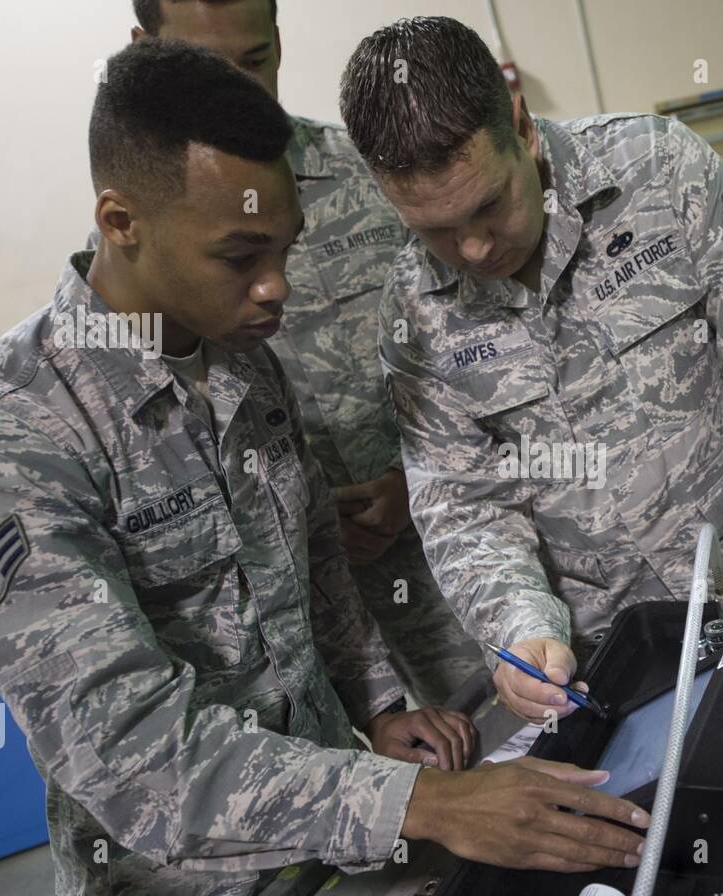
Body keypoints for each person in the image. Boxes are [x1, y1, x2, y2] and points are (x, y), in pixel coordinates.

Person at [0, 38, 648, 896]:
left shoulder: (242, 367)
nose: (275, 290)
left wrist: (374, 706)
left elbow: (316, 562)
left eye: (285, 252)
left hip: (337, 857)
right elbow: (137, 759)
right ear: (120, 220)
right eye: (239, 256)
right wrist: (425, 805)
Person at [339, 17, 723, 723]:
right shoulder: (414, 312)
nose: (470, 248)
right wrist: (520, 629)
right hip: (610, 655)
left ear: (521, 127)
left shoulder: (656, 169)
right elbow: (462, 504)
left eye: (487, 205)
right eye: (432, 228)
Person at [125, 0, 487, 706]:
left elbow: (487, 345)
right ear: (147, 51)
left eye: (256, 60)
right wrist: (299, 521)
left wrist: (426, 477)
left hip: (466, 559)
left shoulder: (374, 174)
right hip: (299, 639)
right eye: (207, 67)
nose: (239, 90)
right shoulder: (143, 247)